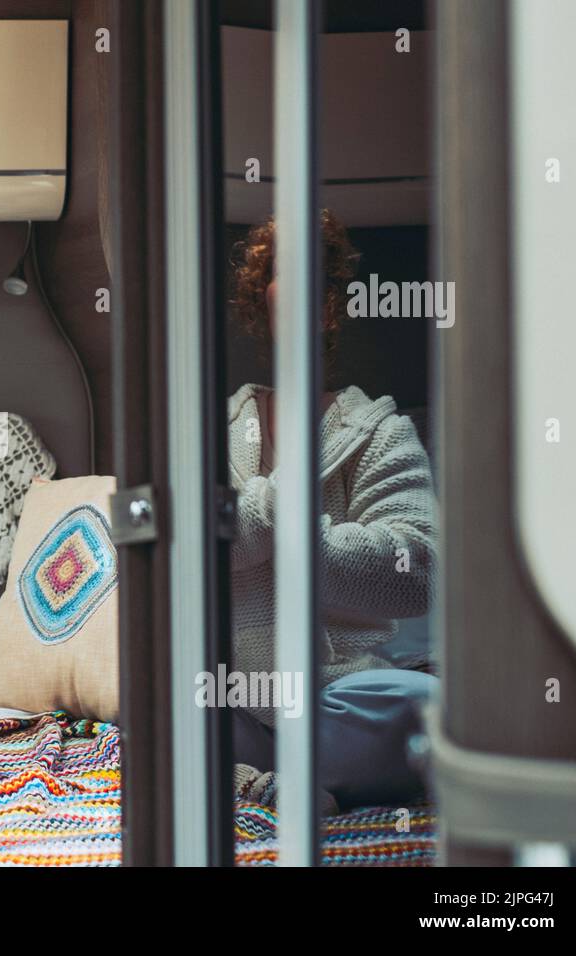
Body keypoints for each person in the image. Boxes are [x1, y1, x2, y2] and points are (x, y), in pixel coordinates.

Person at [226, 210, 439, 814]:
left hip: (340, 694)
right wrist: (276, 505)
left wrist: (269, 528)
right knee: (150, 716)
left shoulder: (380, 433)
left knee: (429, 709)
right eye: (277, 277)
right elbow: (186, 550)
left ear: (327, 308)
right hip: (230, 695)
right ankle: (268, 778)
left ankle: (258, 783)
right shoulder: (210, 427)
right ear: (259, 303)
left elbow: (415, 572)